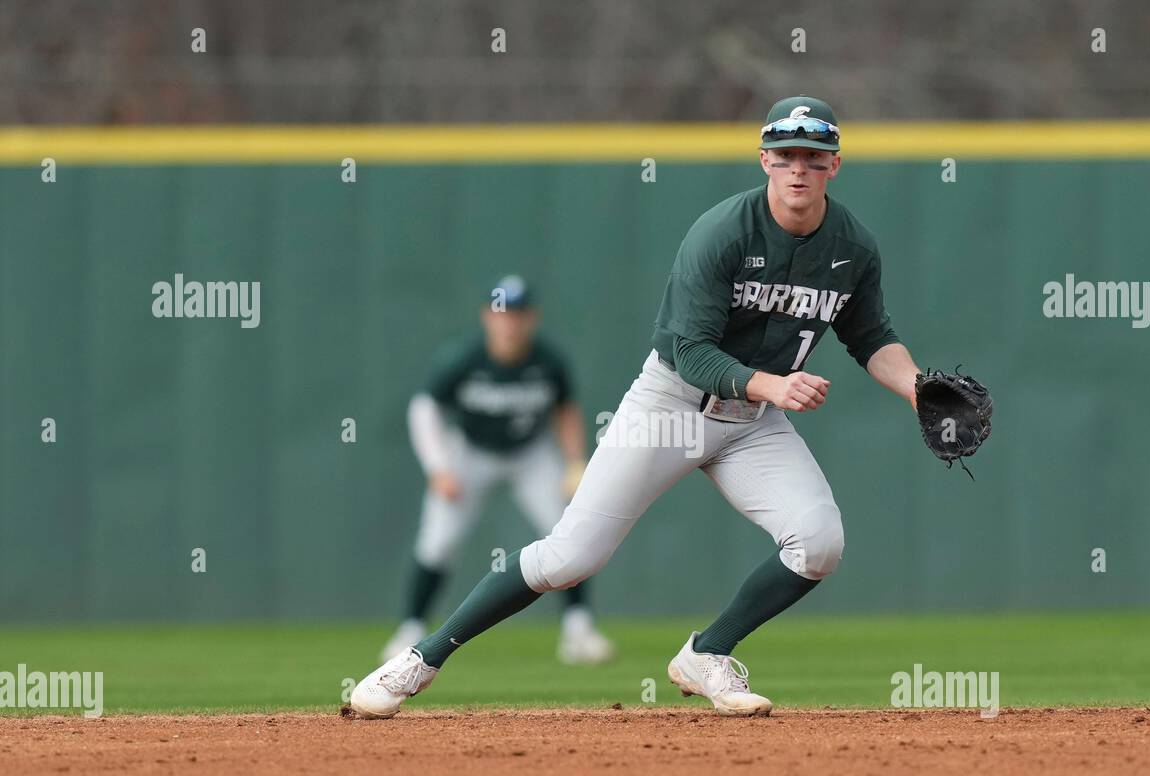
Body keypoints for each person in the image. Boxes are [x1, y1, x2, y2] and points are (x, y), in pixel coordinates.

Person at [349, 96, 922, 718]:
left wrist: (919, 388)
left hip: (753, 422)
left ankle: (707, 653)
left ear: (834, 165)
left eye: (814, 156)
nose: (798, 168)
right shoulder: (723, 232)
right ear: (764, 160)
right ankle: (420, 660)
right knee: (571, 557)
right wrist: (772, 385)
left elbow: (870, 337)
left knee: (818, 544)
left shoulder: (853, 246)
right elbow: (686, 349)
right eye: (785, 155)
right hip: (671, 405)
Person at [380, 275, 613, 665]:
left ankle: (579, 630)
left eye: (519, 313)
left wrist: (574, 461)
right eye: (503, 312)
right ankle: (410, 629)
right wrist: (438, 467)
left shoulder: (548, 359)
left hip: (531, 454)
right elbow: (424, 409)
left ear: (532, 318)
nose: (510, 322)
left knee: (570, 533)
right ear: (488, 316)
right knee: (438, 541)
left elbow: (565, 410)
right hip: (470, 453)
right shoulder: (464, 358)